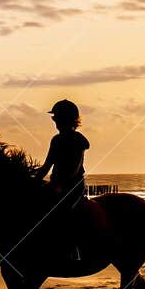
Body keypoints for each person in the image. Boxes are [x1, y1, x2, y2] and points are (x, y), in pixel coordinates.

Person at [36, 99, 90, 257]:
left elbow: (75, 168)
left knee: (65, 211)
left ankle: (74, 249)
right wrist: (34, 179)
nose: (56, 123)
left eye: (58, 119)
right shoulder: (56, 140)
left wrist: (62, 185)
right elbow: (47, 165)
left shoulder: (78, 140)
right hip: (56, 184)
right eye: (56, 119)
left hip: (73, 185)